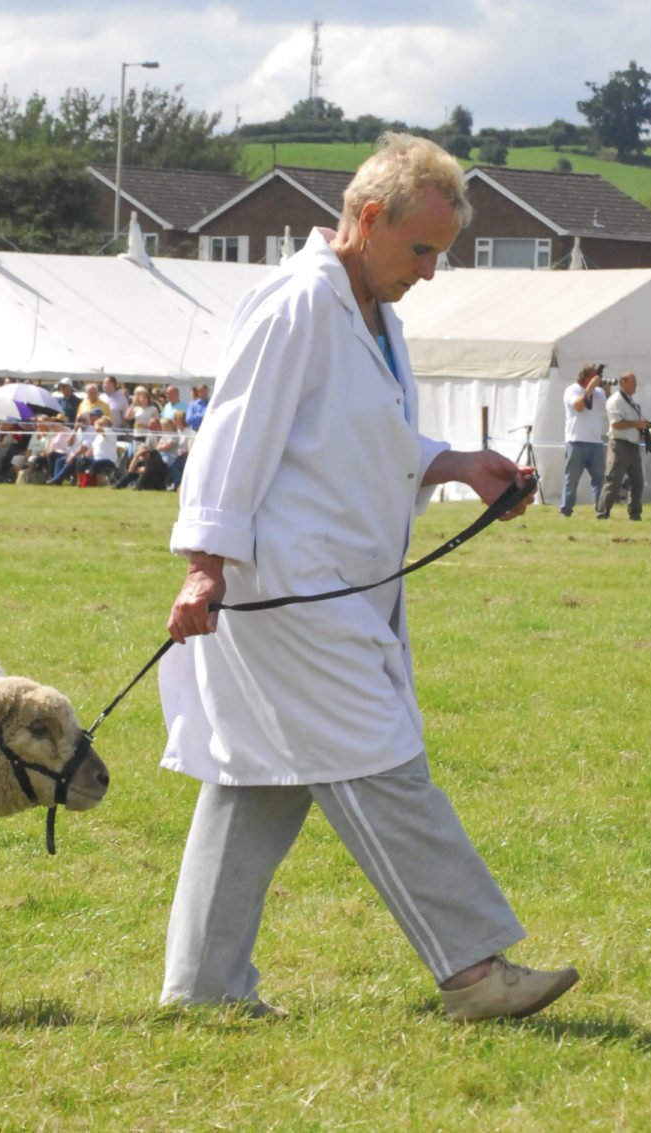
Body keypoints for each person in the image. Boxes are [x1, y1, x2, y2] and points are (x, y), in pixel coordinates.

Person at [157, 133, 576, 1024]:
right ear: (368, 216)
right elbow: (231, 438)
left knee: (257, 783)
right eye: (421, 250)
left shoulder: (375, 314)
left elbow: (357, 443)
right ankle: (472, 969)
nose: (429, 272)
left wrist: (456, 462)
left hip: (339, 586)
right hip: (285, 591)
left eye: (441, 256)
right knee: (381, 758)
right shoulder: (297, 304)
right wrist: (203, 567)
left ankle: (202, 988)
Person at [596, 371, 651, 521]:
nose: (636, 385)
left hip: (633, 446)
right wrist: (636, 424)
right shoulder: (615, 401)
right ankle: (602, 513)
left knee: (637, 482)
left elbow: (635, 424)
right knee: (613, 481)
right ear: (623, 382)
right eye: (633, 382)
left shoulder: (631, 402)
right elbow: (615, 424)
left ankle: (635, 513)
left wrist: (646, 428)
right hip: (619, 445)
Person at [560, 362, 608, 517]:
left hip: (596, 442)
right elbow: (579, 406)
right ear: (586, 377)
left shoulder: (599, 392)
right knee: (572, 479)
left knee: (599, 480)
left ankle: (600, 509)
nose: (598, 379)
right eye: (595, 376)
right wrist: (589, 388)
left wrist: (606, 389)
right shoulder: (572, 389)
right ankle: (566, 509)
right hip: (576, 441)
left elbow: (607, 408)